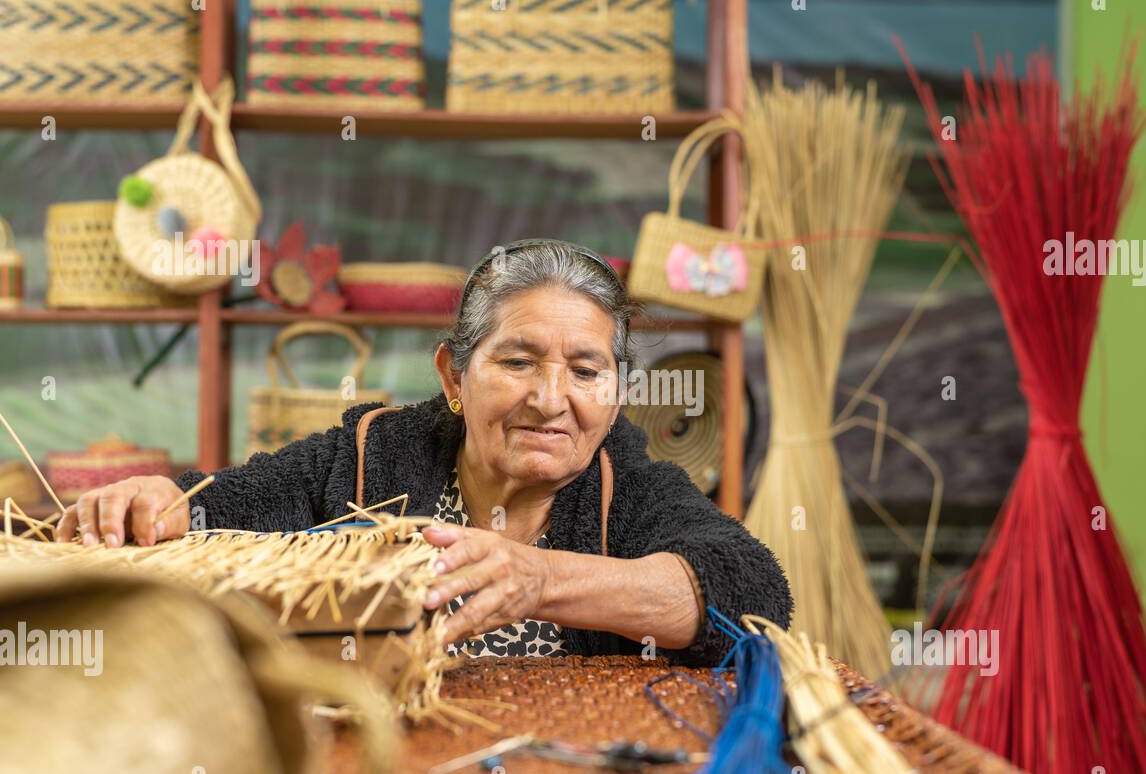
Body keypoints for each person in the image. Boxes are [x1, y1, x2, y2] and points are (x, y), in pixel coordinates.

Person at [55, 238, 793, 666]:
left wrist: (540, 578)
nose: (551, 397)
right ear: (453, 375)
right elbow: (223, 505)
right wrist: (158, 500)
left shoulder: (624, 486)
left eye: (587, 370)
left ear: (616, 390)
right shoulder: (373, 454)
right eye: (518, 361)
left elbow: (753, 593)